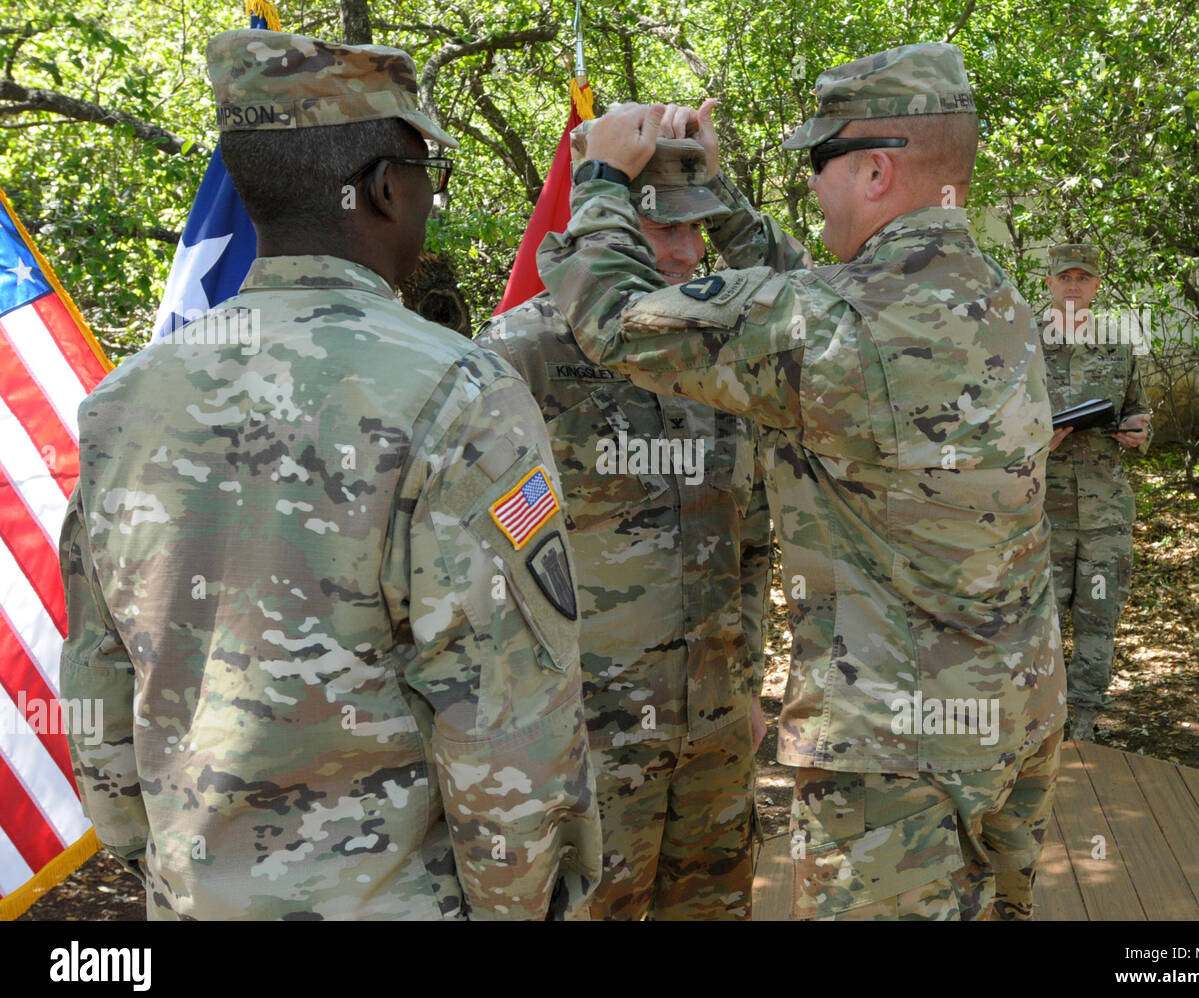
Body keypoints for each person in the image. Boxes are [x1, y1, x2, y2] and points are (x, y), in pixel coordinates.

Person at [58, 29, 600, 921]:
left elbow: (97, 673)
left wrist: (142, 849)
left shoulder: (124, 403)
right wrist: (525, 906)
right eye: (428, 173)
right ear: (386, 187)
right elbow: (506, 722)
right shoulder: (458, 395)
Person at [537, 42, 1066, 921]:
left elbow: (614, 318)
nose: (813, 189)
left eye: (820, 164)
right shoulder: (996, 300)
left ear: (873, 170)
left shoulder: (831, 325)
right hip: (1014, 722)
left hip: (897, 758)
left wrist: (598, 178)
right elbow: (816, 300)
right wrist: (727, 198)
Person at [478, 123, 794, 920]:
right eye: (663, 227)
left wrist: (747, 682)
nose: (688, 251)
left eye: (697, 225)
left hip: (716, 730)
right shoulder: (524, 353)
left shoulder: (719, 347)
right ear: (604, 219)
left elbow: (750, 538)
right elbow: (477, 561)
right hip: (584, 741)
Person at [1040, 243, 1151, 742]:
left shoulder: (1119, 347)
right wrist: (1036, 438)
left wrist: (1139, 430)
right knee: (1042, 619)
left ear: (1096, 286)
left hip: (1106, 509)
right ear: (1049, 283)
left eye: (1083, 278)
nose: (1074, 286)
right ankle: (1042, 721)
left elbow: (1138, 409)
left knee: (1098, 617)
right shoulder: (1023, 344)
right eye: (1065, 277)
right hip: (1044, 509)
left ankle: (1083, 722)